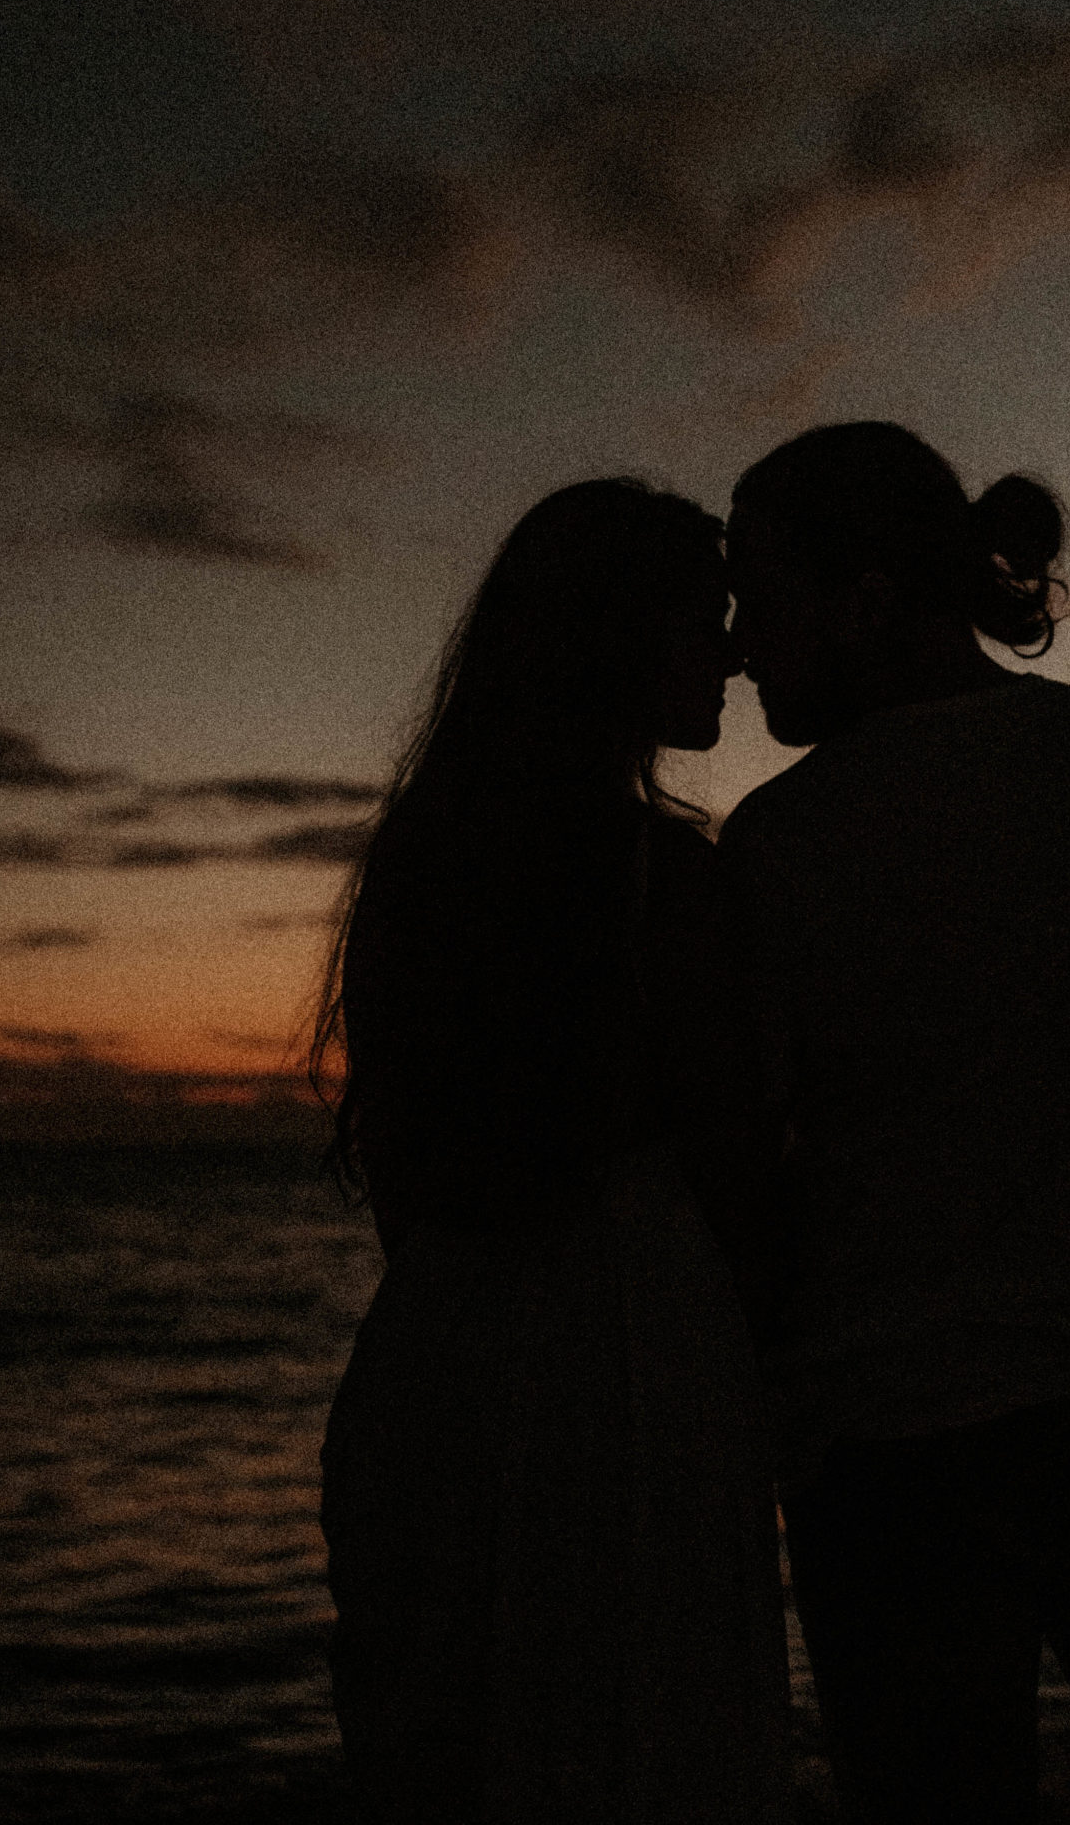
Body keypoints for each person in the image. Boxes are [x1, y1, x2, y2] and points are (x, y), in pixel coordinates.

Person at [717, 421, 1070, 1825]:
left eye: (758, 596)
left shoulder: (787, 839)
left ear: (862, 598)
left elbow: (756, 1152)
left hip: (900, 1437)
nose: (736, 645)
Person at [313, 479, 793, 1825]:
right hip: (634, 1339)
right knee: (645, 1714)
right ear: (614, 642)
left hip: (443, 1334)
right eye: (704, 626)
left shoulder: (419, 866)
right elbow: (737, 1167)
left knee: (469, 1726)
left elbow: (406, 1176)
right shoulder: (672, 883)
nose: (736, 654)